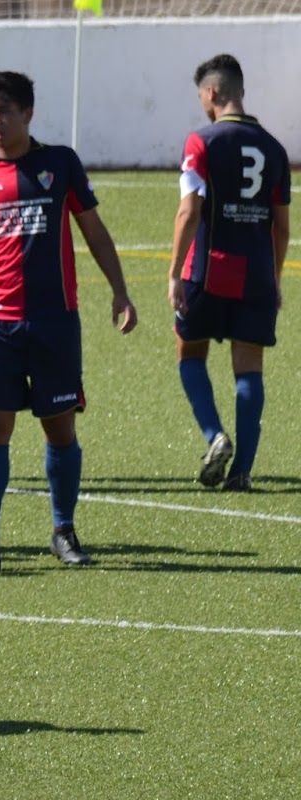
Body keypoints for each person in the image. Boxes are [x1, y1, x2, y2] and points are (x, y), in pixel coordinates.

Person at [0, 71, 138, 574]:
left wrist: (120, 291)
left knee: (59, 427)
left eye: (5, 110)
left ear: (28, 113)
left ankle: (63, 531)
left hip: (54, 321)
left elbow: (93, 229)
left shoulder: (59, 164)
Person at [169, 53, 290, 492]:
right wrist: (274, 281)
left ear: (212, 92)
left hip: (210, 268)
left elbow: (189, 211)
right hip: (257, 272)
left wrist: (174, 274)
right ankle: (242, 473)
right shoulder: (275, 149)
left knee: (190, 352)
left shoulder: (201, 142)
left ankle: (215, 435)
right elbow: (282, 227)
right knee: (249, 369)